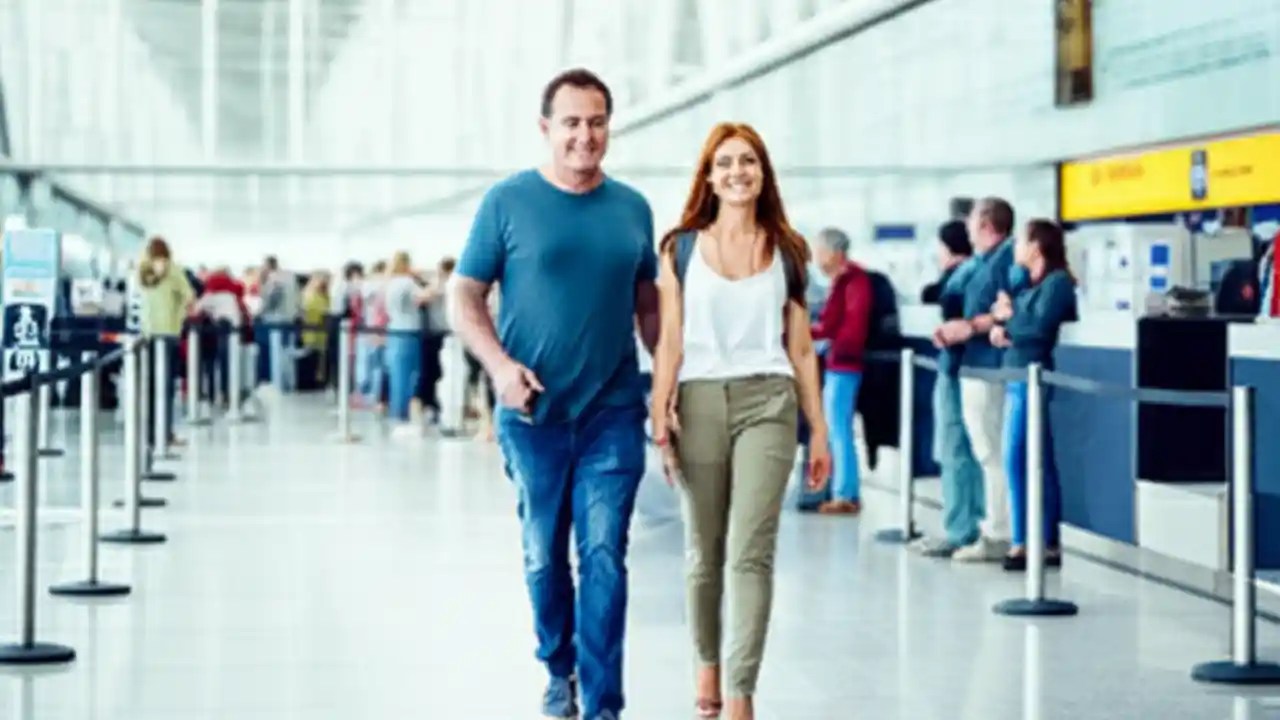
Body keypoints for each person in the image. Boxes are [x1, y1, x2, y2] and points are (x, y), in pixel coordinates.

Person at [451, 68, 659, 720]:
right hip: (532, 412)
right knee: (544, 558)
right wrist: (499, 366)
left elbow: (648, 303)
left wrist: (669, 382)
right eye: (571, 122)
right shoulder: (507, 202)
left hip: (614, 410)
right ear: (546, 128)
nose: (585, 135)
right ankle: (558, 666)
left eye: (596, 121)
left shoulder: (633, 208)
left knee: (603, 556)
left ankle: (603, 706)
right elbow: (464, 295)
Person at [649, 122, 830, 720]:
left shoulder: (789, 249)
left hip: (768, 404)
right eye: (724, 163)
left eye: (747, 161)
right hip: (698, 400)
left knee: (751, 552)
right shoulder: (679, 246)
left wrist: (820, 431)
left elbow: (801, 349)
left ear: (762, 172)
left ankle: (740, 693)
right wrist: (660, 404)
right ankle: (707, 663)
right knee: (704, 551)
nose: (736, 172)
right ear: (708, 176)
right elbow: (671, 337)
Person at [933, 197, 1027, 562]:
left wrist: (971, 326)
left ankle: (999, 532)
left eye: (971, 222)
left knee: (992, 452)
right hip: (972, 364)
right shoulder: (983, 263)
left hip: (990, 367)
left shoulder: (1007, 261)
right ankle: (995, 527)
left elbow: (1010, 308)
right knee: (985, 451)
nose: (967, 229)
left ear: (986, 224)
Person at [990, 219, 1077, 570]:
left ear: (1036, 247)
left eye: (1021, 244)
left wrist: (1007, 321)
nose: (1015, 251)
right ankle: (1029, 538)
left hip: (1032, 378)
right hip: (1016, 376)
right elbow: (1016, 318)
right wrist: (1007, 318)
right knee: (1024, 459)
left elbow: (1037, 328)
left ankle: (1031, 541)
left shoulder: (1057, 285)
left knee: (1022, 459)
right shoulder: (1030, 286)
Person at [912, 221, 985, 558]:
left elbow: (941, 300)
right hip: (968, 369)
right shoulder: (981, 269)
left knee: (957, 449)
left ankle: (961, 529)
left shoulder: (965, 273)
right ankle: (972, 525)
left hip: (957, 368)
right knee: (973, 451)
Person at [803, 227, 871, 515]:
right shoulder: (841, 282)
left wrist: (817, 337)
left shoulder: (854, 281)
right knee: (835, 428)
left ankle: (846, 493)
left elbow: (851, 327)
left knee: (838, 429)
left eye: (820, 251)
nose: (817, 258)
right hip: (837, 362)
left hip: (845, 364)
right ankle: (843, 490)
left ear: (835, 252)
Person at [137, 236, 195, 447]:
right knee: (166, 387)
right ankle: (165, 433)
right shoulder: (174, 270)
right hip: (169, 334)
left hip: (148, 336)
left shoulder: (142, 271)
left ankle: (151, 433)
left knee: (151, 387)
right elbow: (189, 297)